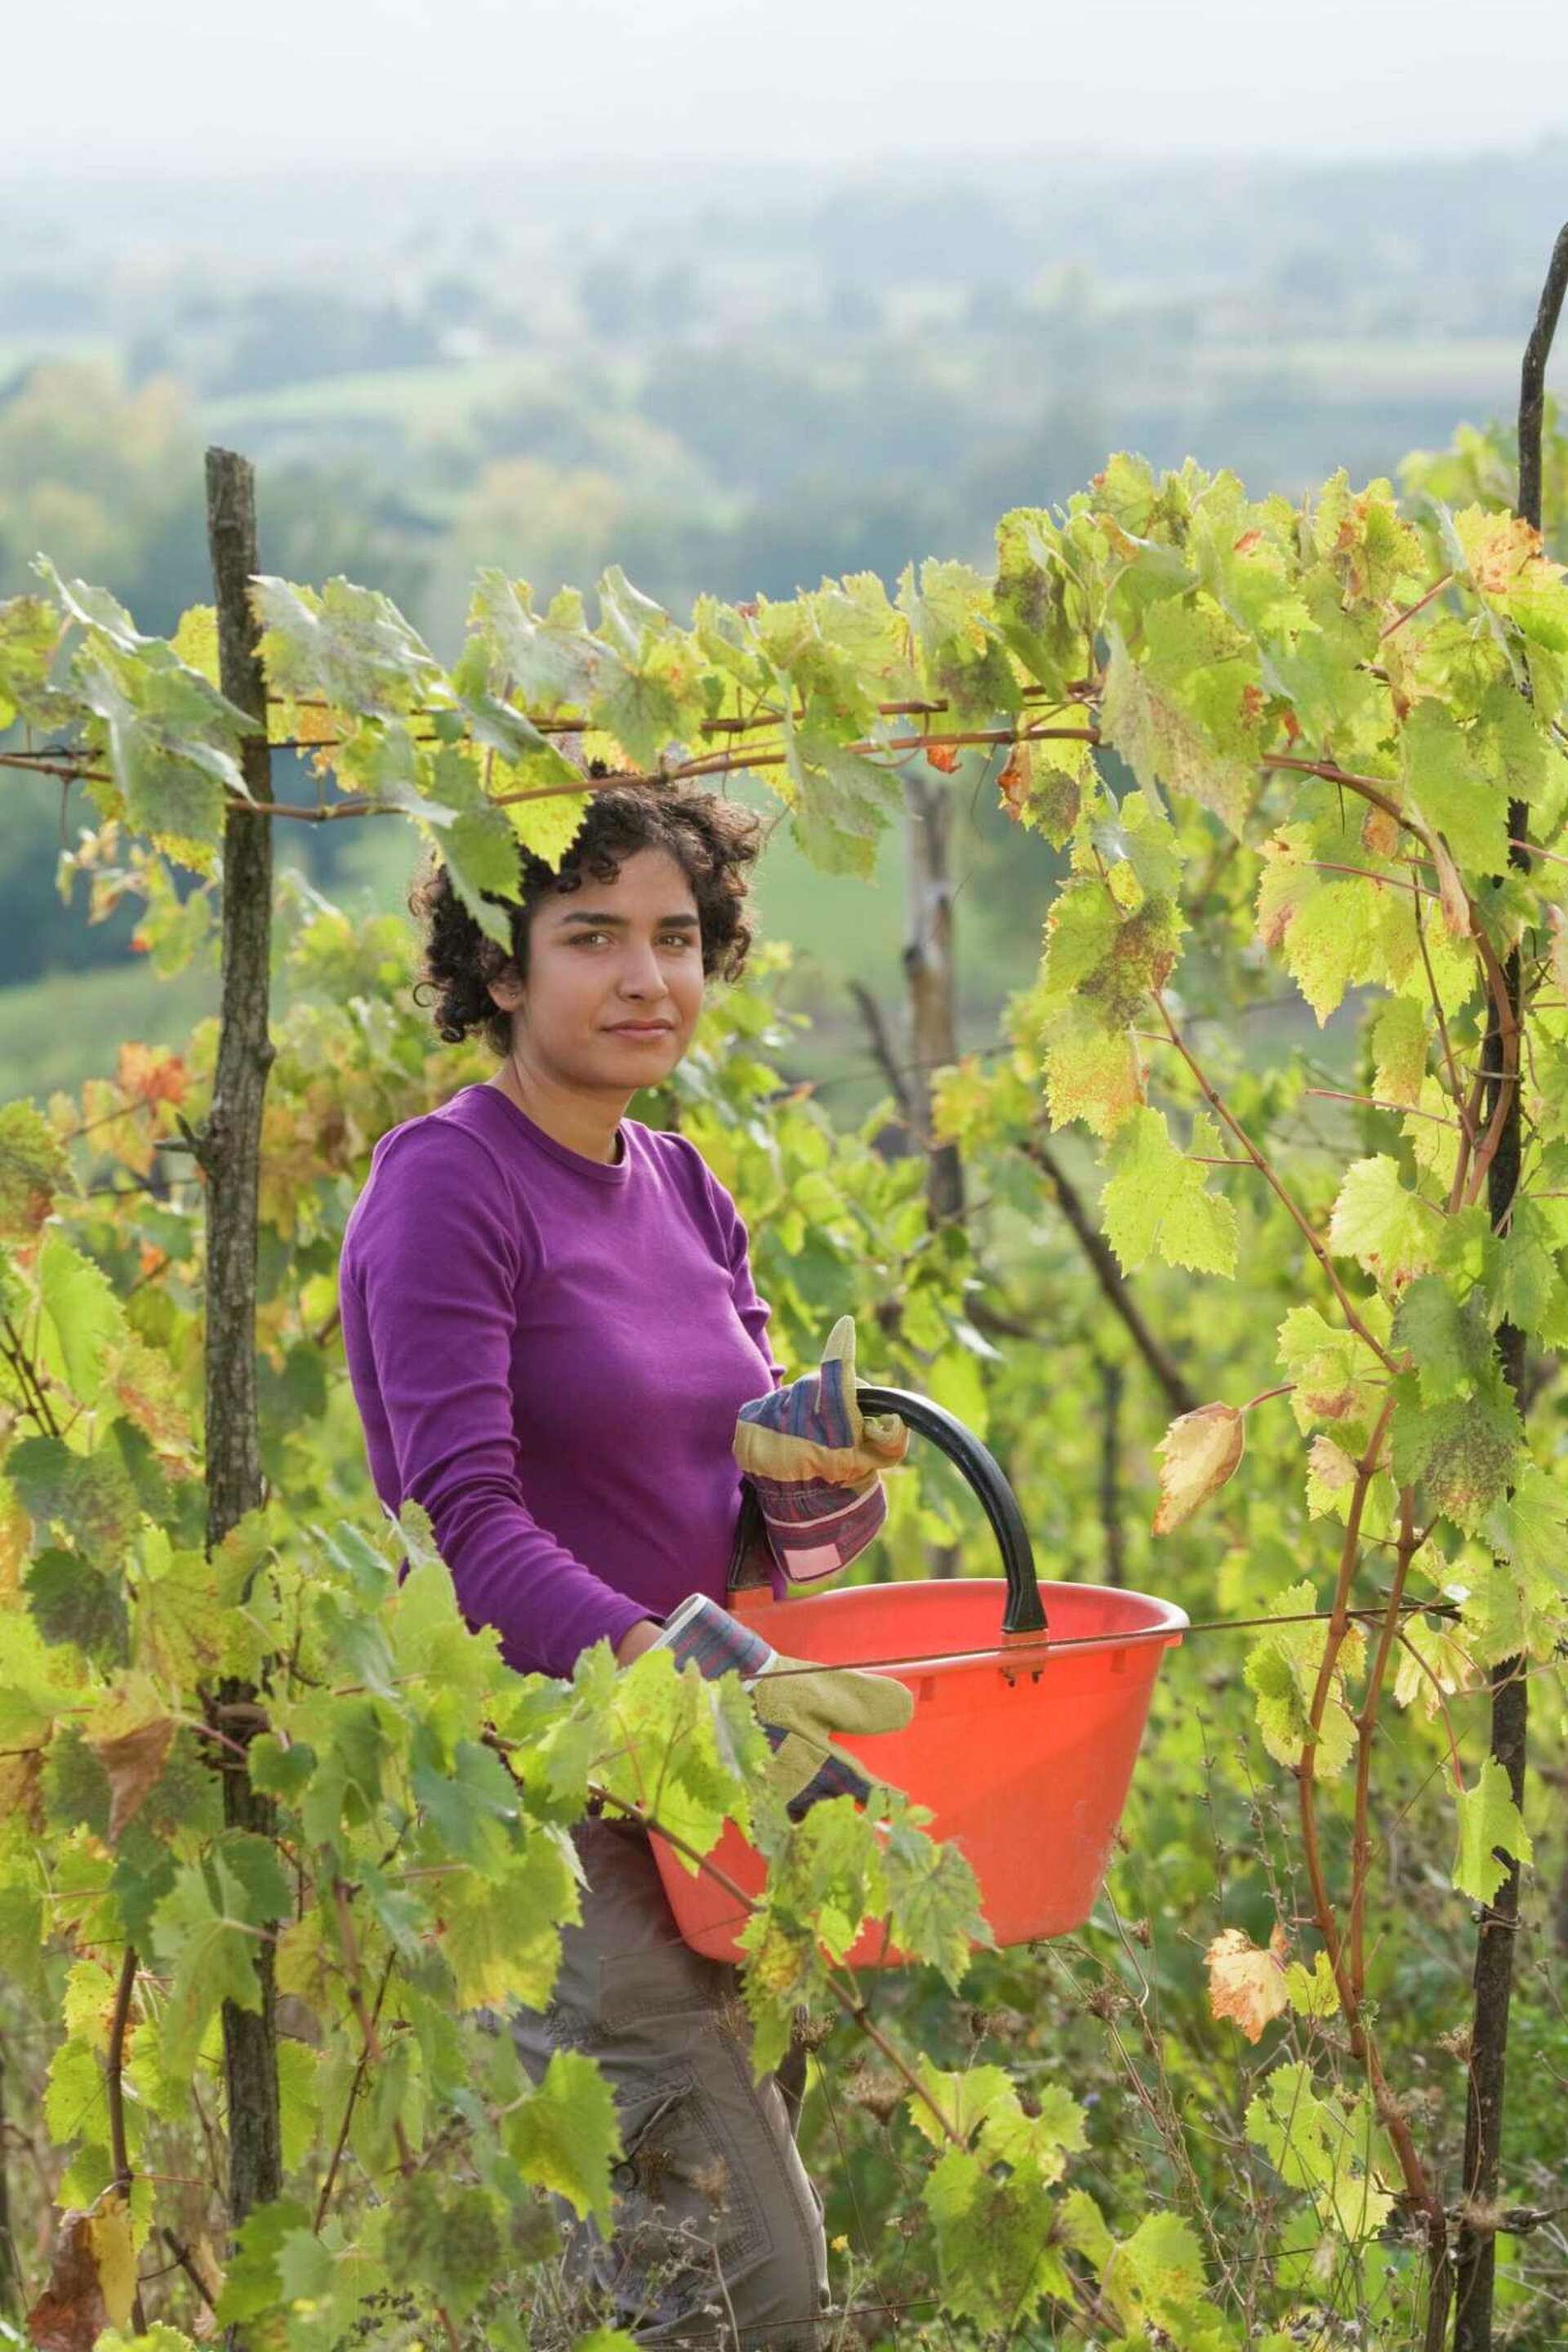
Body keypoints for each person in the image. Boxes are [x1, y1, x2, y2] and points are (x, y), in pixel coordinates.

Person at [336, 776, 907, 2350]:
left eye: (676, 936)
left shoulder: (687, 1187)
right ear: (504, 968)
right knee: (742, 2296)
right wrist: (694, 1673)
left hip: (721, 1798)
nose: (646, 978)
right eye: (592, 937)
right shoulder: (447, 1182)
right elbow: (462, 1528)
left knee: (672, 2286)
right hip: (568, 1809)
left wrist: (823, 1484)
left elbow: (741, 1525)